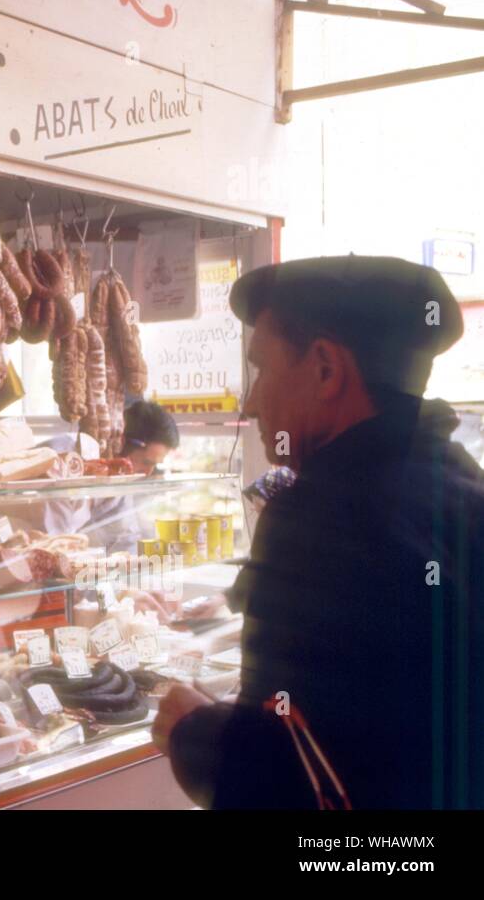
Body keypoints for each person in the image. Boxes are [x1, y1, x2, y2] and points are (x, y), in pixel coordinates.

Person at [154, 255, 484, 809]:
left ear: (326, 368)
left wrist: (191, 729)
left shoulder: (317, 518)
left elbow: (279, 775)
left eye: (261, 367)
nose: (253, 400)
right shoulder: (465, 486)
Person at [43, 400, 182, 552]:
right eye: (146, 462)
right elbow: (51, 544)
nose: (148, 472)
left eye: (154, 465)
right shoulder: (60, 459)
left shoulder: (120, 481)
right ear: (120, 442)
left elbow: (126, 538)